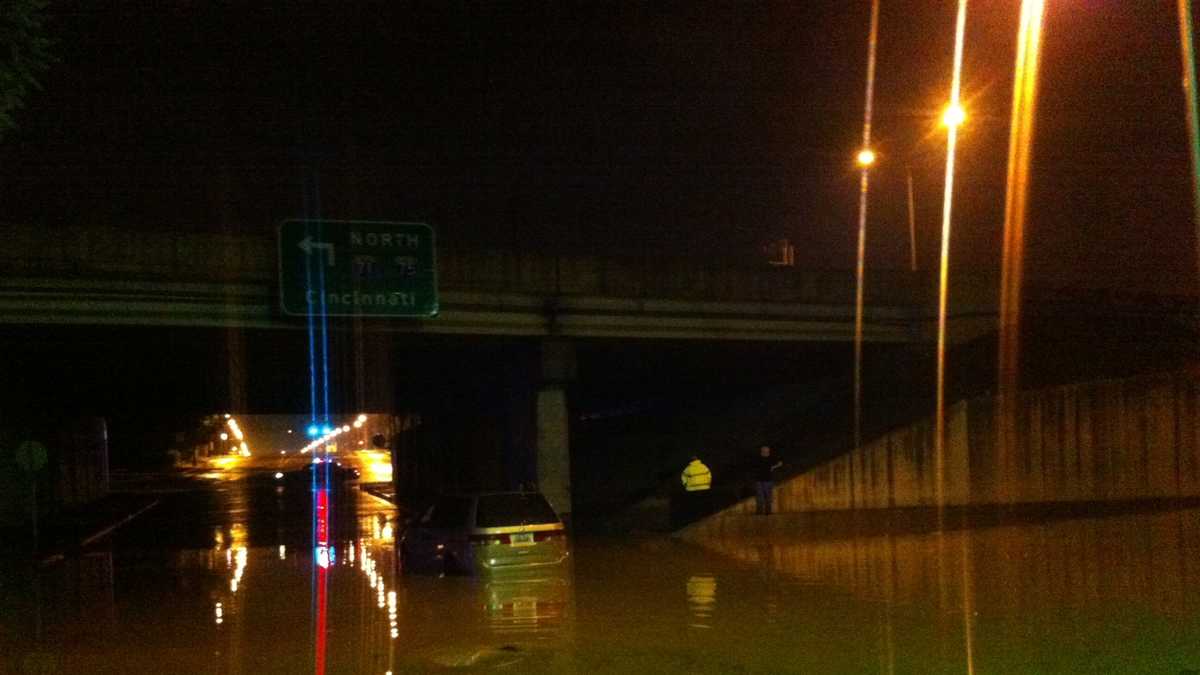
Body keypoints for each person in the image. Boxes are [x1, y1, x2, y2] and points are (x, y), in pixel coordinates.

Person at [672, 455, 712, 527]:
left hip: (692, 489)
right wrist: (708, 484)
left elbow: (683, 477)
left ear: (691, 461)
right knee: (703, 504)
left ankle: (695, 519)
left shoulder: (688, 469)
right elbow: (709, 476)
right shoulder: (704, 467)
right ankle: (704, 517)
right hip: (704, 488)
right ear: (698, 460)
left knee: (694, 505)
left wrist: (685, 484)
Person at [754, 445, 782, 515]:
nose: (766, 452)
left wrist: (773, 467)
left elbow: (780, 463)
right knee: (760, 496)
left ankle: (768, 511)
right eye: (765, 451)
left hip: (768, 480)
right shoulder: (758, 458)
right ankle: (759, 511)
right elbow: (754, 467)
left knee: (768, 496)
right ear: (762, 451)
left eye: (767, 451)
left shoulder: (771, 458)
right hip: (759, 480)